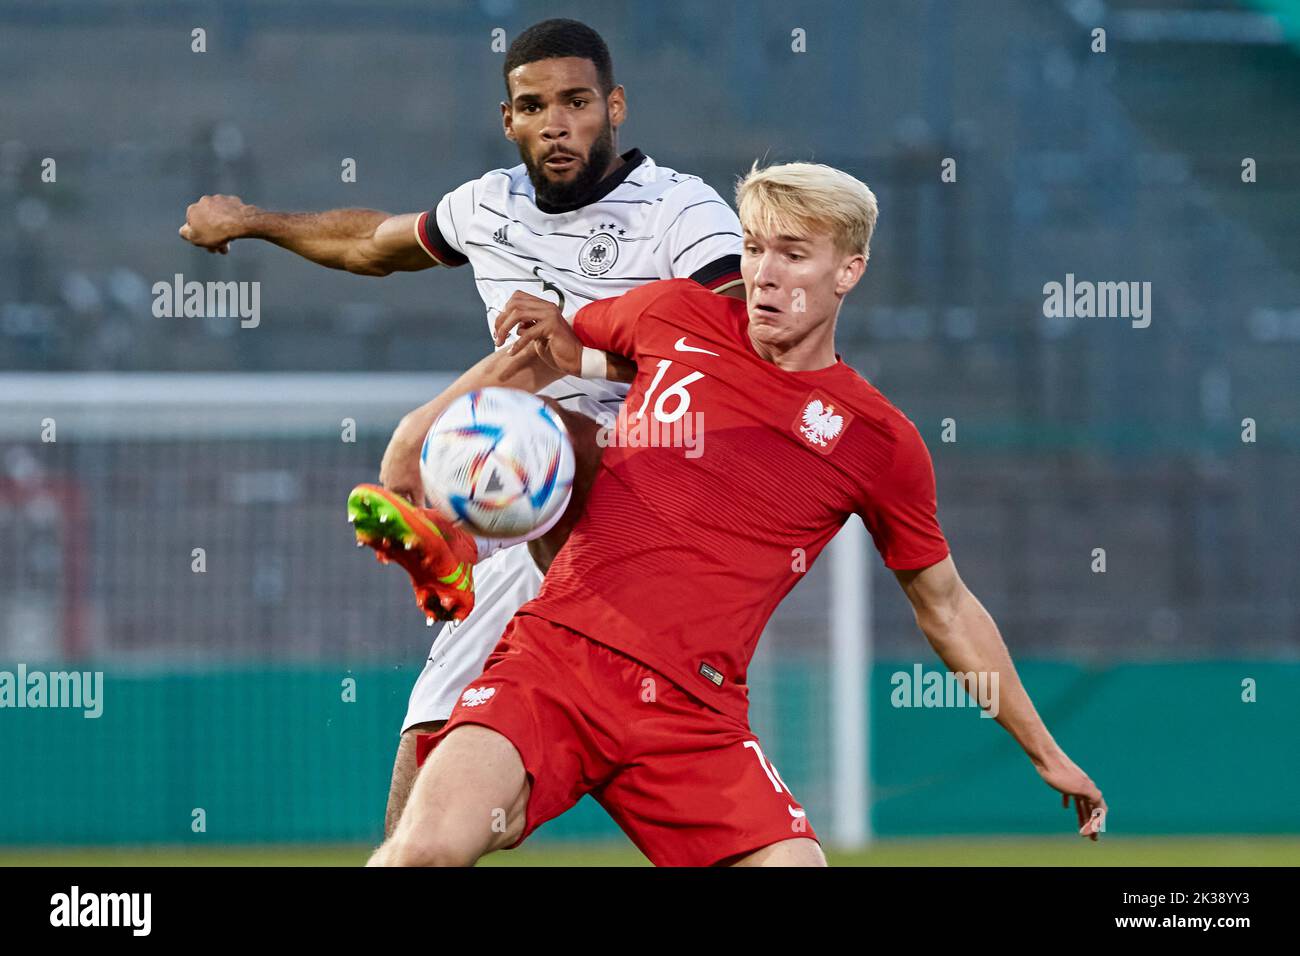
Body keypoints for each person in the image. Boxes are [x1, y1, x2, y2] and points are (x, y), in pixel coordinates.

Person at [357, 161, 1108, 867]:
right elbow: (548, 346)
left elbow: (947, 607)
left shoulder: (881, 442)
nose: (764, 275)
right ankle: (464, 543)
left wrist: (1045, 750)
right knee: (422, 850)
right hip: (556, 660)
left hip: (695, 717)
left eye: (793, 254)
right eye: (752, 249)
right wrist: (415, 443)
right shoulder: (674, 312)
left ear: (849, 272)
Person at [177, 18, 745, 834]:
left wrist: (590, 355)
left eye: (578, 101)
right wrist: (253, 220)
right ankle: (477, 552)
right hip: (525, 493)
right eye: (534, 105)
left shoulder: (682, 211)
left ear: (614, 106)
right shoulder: (487, 207)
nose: (557, 122)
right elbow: (370, 245)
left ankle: (458, 536)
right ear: (508, 119)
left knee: (520, 418)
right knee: (426, 770)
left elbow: (735, 354)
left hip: (650, 477)